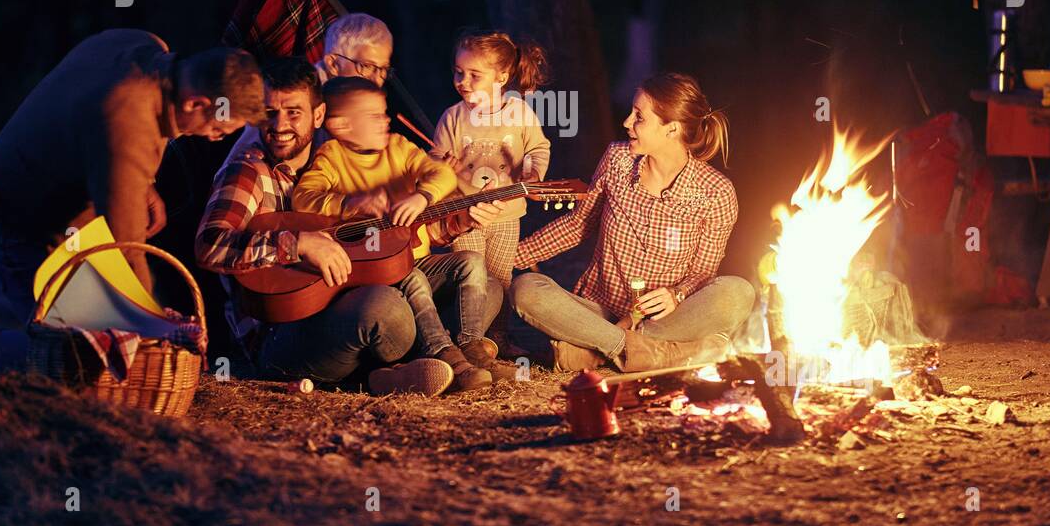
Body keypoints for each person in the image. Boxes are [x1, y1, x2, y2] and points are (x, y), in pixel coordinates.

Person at [0, 29, 264, 370]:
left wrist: (142, 182)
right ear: (196, 103)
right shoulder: (129, 120)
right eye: (219, 130)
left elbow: (101, 136)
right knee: (70, 354)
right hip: (22, 219)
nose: (213, 138)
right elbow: (128, 249)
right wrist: (155, 331)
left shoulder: (145, 45)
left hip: (64, 222)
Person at [195, 58, 457, 396]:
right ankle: (375, 376)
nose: (279, 124)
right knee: (386, 307)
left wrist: (452, 221)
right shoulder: (247, 173)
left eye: (293, 112)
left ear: (318, 115)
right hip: (281, 331)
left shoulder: (335, 162)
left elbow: (373, 242)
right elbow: (209, 246)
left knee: (455, 276)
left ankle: (401, 371)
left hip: (338, 299)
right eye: (269, 112)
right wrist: (298, 244)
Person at [500, 72, 755, 372]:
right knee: (526, 289)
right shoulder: (617, 159)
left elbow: (703, 271)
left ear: (671, 129)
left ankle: (601, 350)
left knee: (739, 293)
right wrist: (507, 258)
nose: (626, 123)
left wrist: (677, 295)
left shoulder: (716, 193)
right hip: (597, 313)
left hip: (666, 321)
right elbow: (578, 225)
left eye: (639, 117)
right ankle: (644, 351)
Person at [293, 77, 514, 390]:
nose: (385, 120)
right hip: (378, 273)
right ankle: (443, 352)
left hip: (417, 258)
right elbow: (304, 197)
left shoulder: (398, 147)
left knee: (473, 263)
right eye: (374, 116)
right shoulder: (331, 157)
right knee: (414, 278)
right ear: (341, 125)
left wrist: (422, 196)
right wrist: (350, 203)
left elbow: (441, 173)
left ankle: (472, 348)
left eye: (384, 113)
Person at [430, 29, 552, 287]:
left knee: (501, 280)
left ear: (501, 78)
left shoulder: (519, 112)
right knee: (472, 282)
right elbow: (434, 160)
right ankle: (472, 328)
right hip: (464, 214)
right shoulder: (452, 117)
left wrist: (532, 172)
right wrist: (442, 166)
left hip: (507, 215)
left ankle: (498, 329)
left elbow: (538, 149)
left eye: (475, 75)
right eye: (459, 71)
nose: (463, 81)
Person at [315, 13, 392, 88]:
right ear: (333, 64)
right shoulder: (308, 97)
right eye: (367, 66)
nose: (377, 81)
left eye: (384, 68)